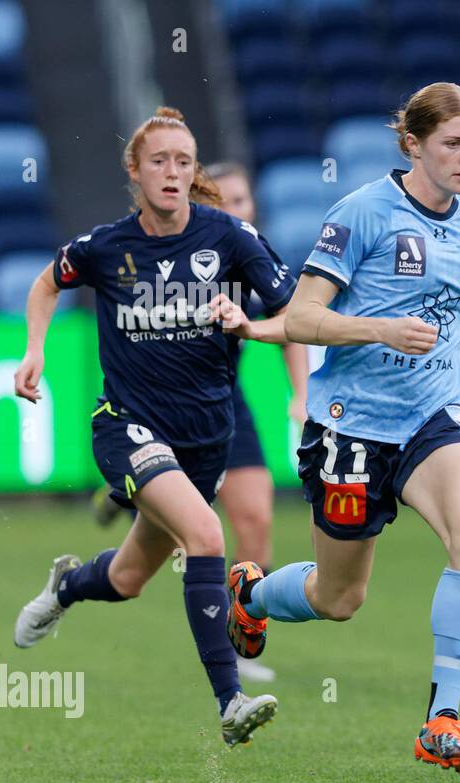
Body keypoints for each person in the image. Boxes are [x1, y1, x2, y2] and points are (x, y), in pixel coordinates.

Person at [223, 83, 460, 774]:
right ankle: (252, 594)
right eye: (452, 144)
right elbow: (298, 318)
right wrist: (381, 328)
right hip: (351, 428)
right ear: (413, 144)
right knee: (339, 597)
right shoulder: (362, 213)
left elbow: (455, 308)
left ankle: (442, 718)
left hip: (433, 415)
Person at [11, 107, 296, 745]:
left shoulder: (231, 239)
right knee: (206, 533)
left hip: (205, 437)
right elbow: (45, 283)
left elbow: (294, 316)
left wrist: (252, 328)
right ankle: (230, 701)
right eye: (159, 161)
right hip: (129, 426)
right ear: (135, 172)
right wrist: (35, 350)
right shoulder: (106, 247)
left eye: (184, 161)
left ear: (194, 173)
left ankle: (67, 585)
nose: (172, 171)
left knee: (129, 578)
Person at [89, 162, 309, 684]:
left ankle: (239, 631)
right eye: (224, 200)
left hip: (225, 405)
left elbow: (293, 324)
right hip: (154, 410)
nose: (235, 210)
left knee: (254, 520)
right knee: (184, 531)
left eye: (242, 200)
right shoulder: (170, 250)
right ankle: (126, 495)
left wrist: (301, 396)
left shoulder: (246, 252)